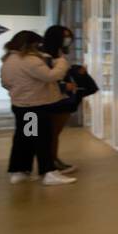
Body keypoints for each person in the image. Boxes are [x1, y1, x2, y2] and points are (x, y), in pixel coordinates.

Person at [0, 30, 75, 185]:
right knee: (42, 140)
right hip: (34, 107)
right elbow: (51, 76)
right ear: (31, 44)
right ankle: (48, 173)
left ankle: (19, 170)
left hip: (21, 106)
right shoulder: (29, 60)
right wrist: (61, 63)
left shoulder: (9, 60)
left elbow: (5, 84)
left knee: (25, 138)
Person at [41, 24, 89, 175]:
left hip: (61, 99)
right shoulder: (46, 56)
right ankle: (49, 164)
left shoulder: (57, 55)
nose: (68, 40)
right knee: (49, 133)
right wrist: (63, 85)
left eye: (69, 36)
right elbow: (49, 77)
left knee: (53, 133)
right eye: (65, 36)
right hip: (51, 99)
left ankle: (52, 161)